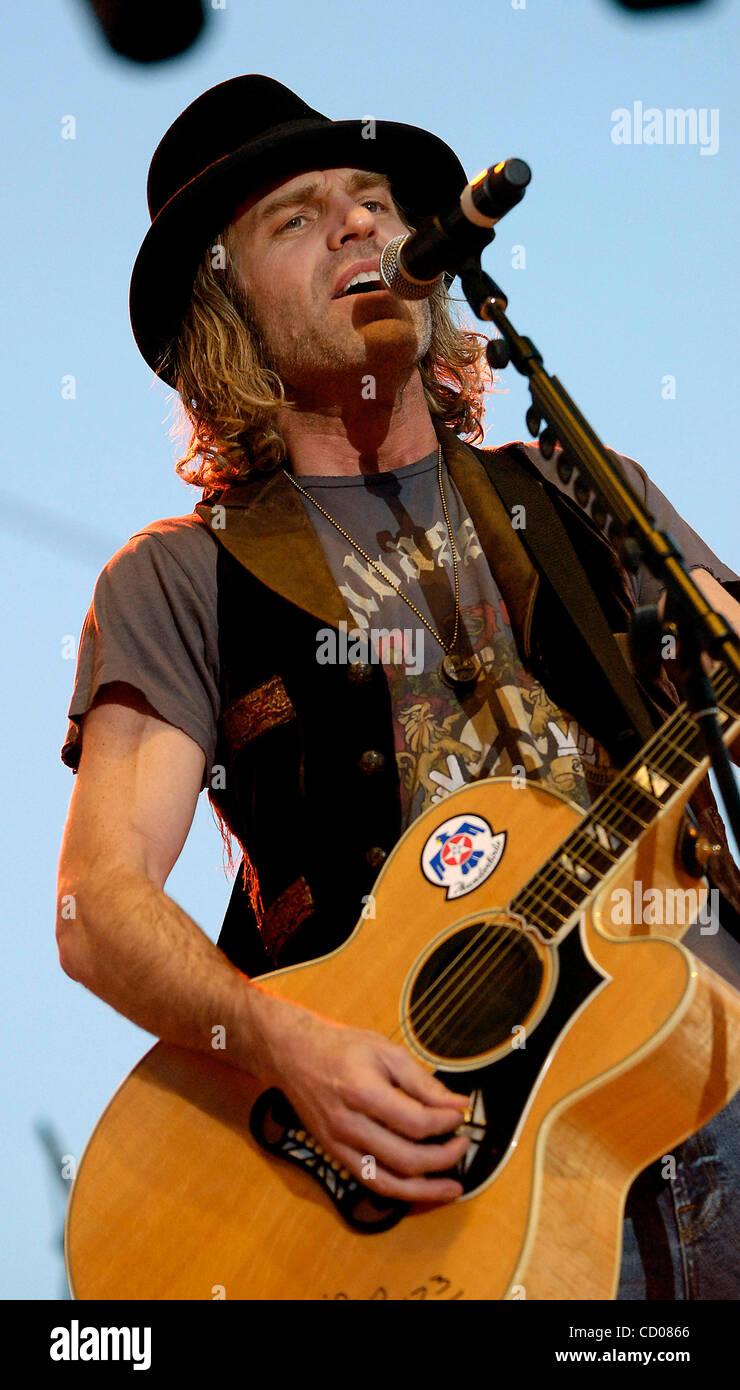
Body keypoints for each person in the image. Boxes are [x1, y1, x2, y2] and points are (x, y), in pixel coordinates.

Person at [57, 75, 740, 1299]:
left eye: (373, 201)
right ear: (222, 305)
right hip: (432, 1188)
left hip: (709, 1063)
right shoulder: (179, 581)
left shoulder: (577, 489)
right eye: (300, 218)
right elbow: (98, 906)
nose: (363, 226)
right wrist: (284, 1045)